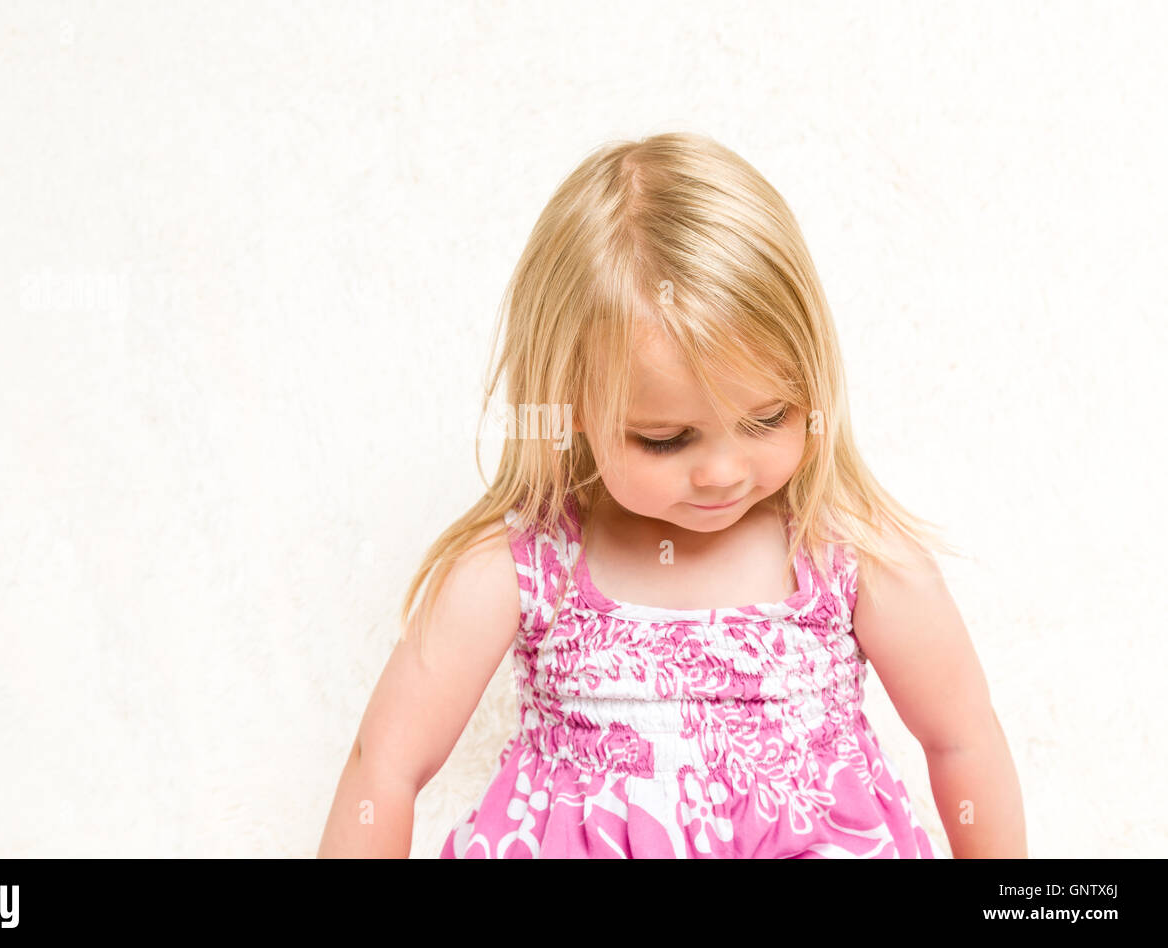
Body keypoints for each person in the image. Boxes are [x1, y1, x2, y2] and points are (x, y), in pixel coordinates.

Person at [317, 132, 1026, 858]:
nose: (722, 472)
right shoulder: (526, 568)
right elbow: (386, 765)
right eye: (664, 439)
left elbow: (962, 740)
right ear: (569, 406)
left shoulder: (848, 554)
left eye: (767, 419)